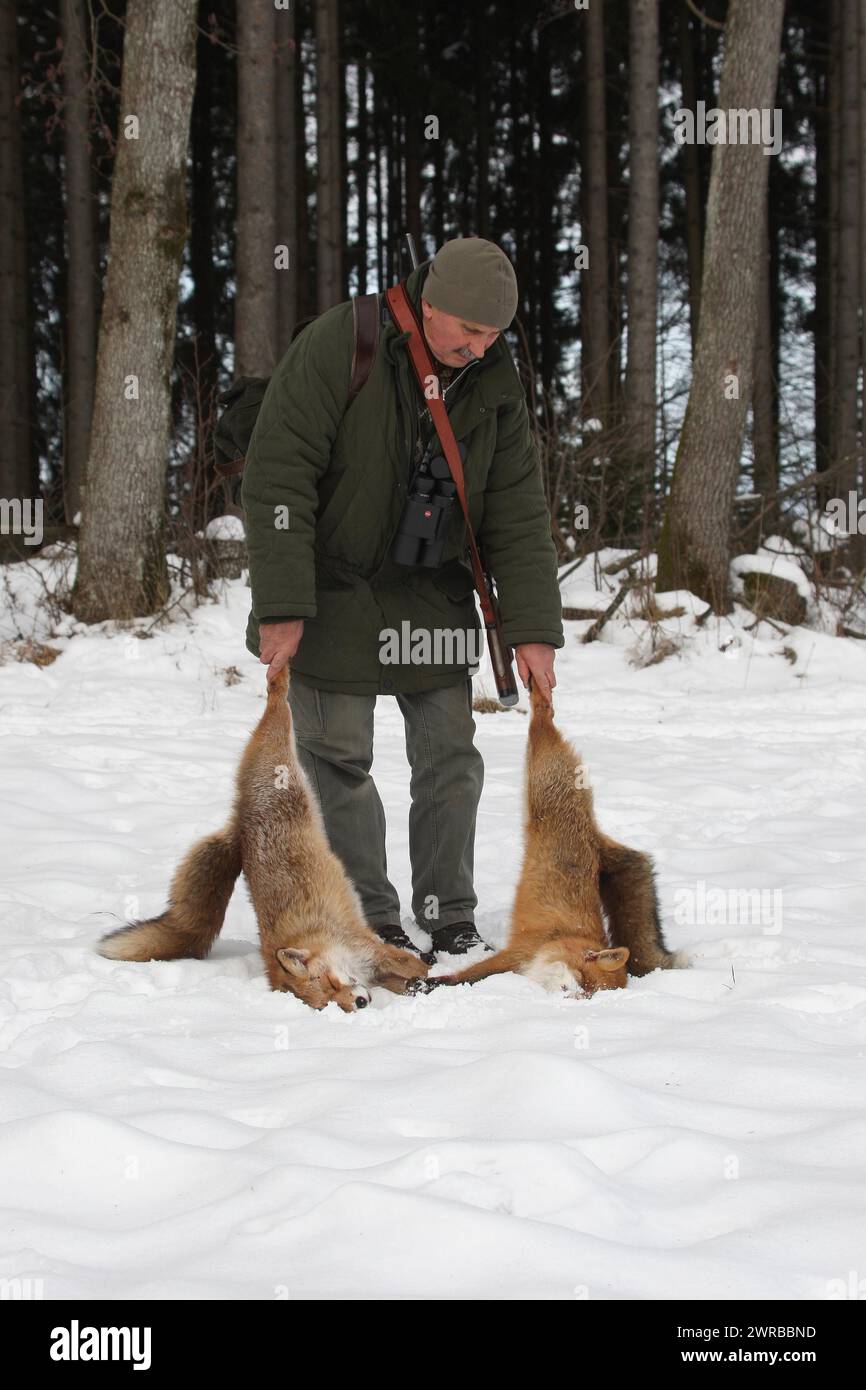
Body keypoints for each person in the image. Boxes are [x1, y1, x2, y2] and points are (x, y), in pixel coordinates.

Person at [241, 237, 563, 961]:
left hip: (431, 590)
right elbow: (278, 478)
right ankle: (367, 915)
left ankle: (448, 913)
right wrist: (283, 603)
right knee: (337, 754)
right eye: (470, 332)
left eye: (494, 336)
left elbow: (516, 508)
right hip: (331, 588)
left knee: (452, 753)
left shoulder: (493, 379)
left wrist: (533, 628)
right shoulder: (342, 342)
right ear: (429, 304)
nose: (481, 349)